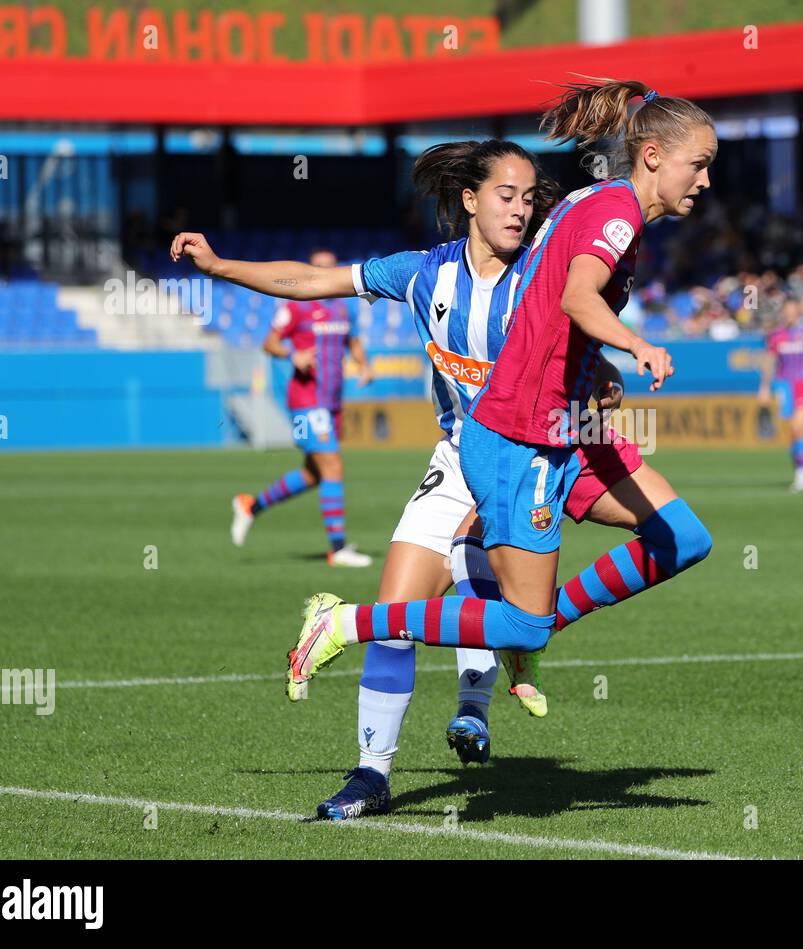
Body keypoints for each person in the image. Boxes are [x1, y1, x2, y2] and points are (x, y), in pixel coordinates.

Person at [172, 138, 633, 821]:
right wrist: (217, 266)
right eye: (504, 195)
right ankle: (372, 774)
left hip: (526, 461)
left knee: (506, 591)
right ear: (470, 200)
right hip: (455, 460)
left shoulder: (544, 273)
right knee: (395, 616)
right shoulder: (423, 274)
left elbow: (581, 338)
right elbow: (307, 280)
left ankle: (476, 704)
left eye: (529, 197)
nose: (519, 209)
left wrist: (601, 377)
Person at [284, 79, 716, 705]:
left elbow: (545, 302)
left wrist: (594, 366)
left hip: (569, 426)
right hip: (523, 430)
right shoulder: (615, 214)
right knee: (521, 618)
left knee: (684, 539)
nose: (704, 181)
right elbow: (574, 297)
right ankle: (347, 622)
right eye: (698, 165)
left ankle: (529, 635)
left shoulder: (599, 202)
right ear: (653, 156)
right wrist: (635, 344)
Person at [229, 249, 374, 566]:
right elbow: (269, 343)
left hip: (332, 401)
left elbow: (353, 342)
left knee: (313, 474)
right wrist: (292, 355)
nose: (324, 271)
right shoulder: (296, 307)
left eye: (329, 266)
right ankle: (337, 549)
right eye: (318, 267)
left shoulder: (341, 309)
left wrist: (364, 365)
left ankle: (250, 506)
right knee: (332, 465)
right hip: (306, 402)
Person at [758, 298, 803, 491]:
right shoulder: (776, 336)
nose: (788, 314)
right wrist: (764, 388)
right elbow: (770, 362)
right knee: (792, 432)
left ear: (798, 313)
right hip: (783, 386)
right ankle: (799, 472)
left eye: (792, 311)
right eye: (786, 311)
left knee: (799, 427)